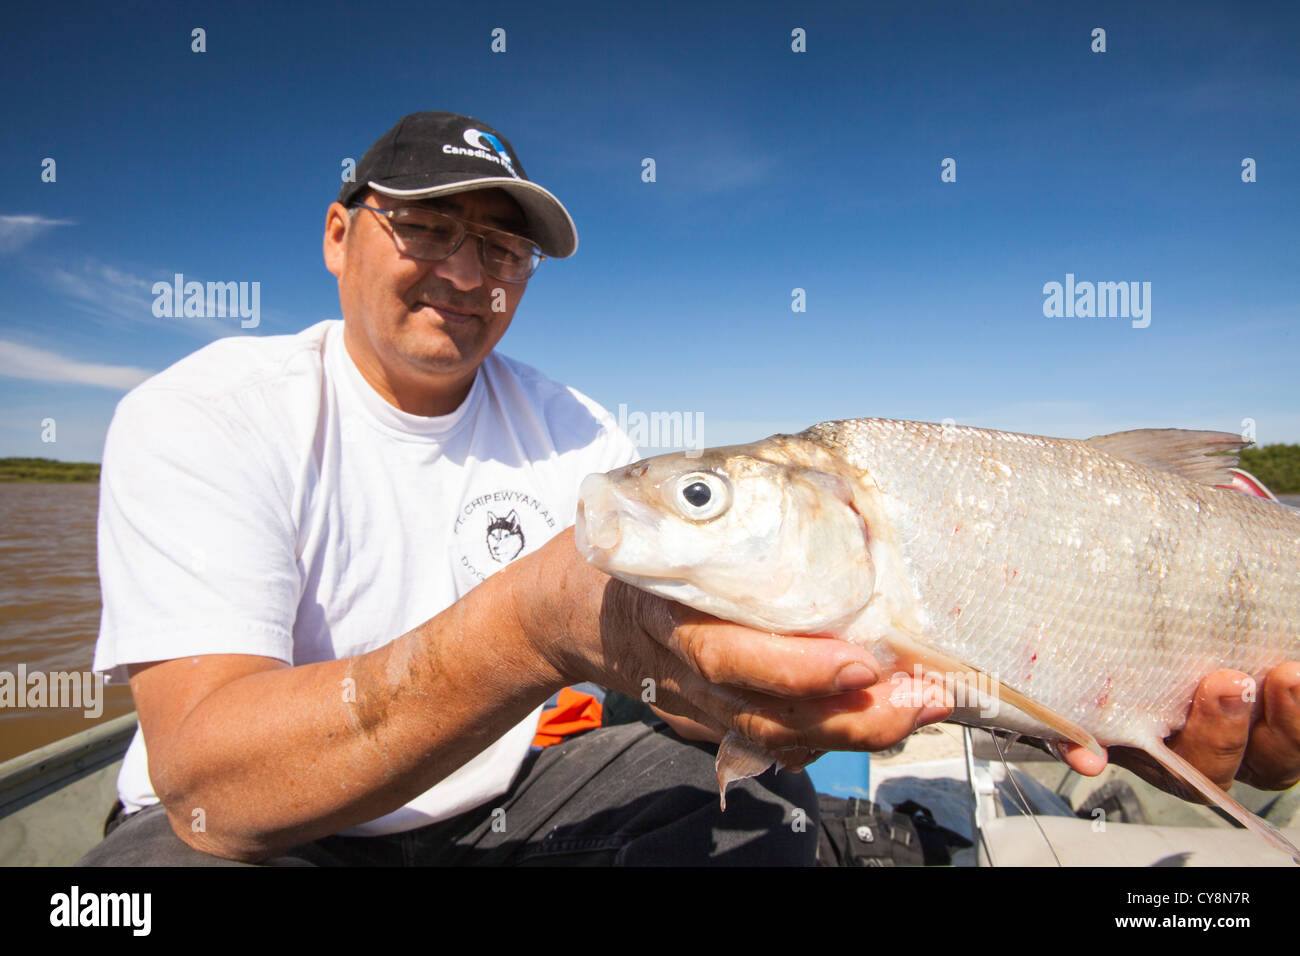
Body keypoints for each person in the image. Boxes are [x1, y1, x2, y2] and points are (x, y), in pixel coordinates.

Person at [78, 111, 1300, 866]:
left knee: (755, 814)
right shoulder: (203, 412)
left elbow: (671, 674)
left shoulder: (574, 431)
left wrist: (745, 698)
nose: (466, 270)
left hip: (515, 799)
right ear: (341, 232)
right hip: (261, 836)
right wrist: (531, 626)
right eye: (427, 228)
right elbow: (208, 787)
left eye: (500, 247)